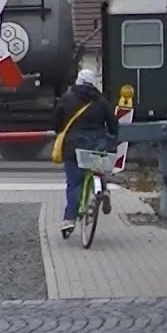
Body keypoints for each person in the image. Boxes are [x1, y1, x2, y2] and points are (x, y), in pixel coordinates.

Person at [52, 68, 120, 238]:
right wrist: (112, 136)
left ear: (78, 81)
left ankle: (69, 219)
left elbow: (56, 122)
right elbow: (113, 125)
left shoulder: (67, 99)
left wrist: (61, 131)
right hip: (97, 144)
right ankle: (103, 190)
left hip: (73, 146)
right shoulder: (102, 101)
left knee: (74, 183)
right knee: (99, 168)